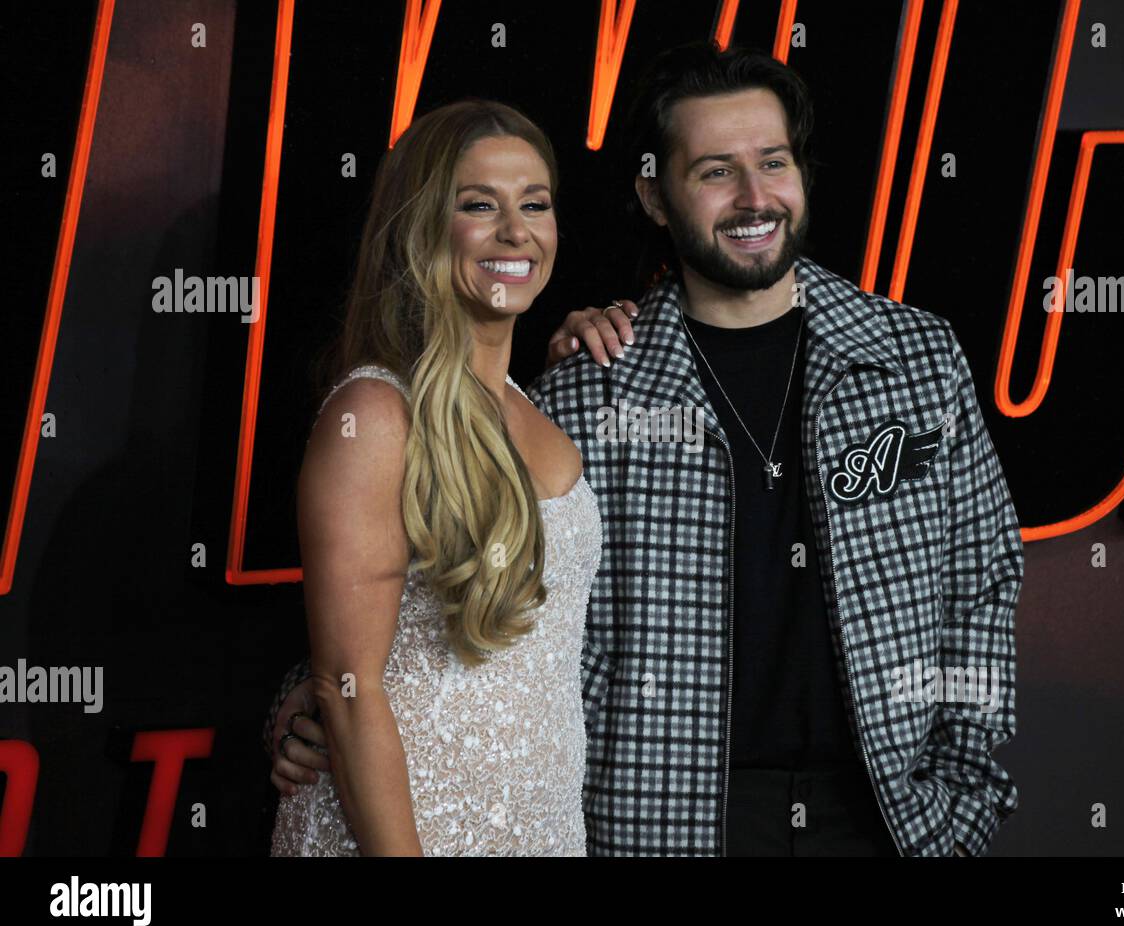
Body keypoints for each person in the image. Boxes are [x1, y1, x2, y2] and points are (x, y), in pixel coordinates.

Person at [269, 40, 1023, 857]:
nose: (753, 196)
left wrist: (960, 786)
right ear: (655, 195)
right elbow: (491, 618)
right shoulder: (588, 389)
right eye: (713, 172)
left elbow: (984, 575)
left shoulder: (916, 359)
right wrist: (314, 697)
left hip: (889, 815)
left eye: (773, 161)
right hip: (660, 823)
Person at [269, 99, 604, 856]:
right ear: (421, 226)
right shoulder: (374, 414)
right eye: (479, 205)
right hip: (405, 833)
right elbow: (347, 691)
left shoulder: (538, 407)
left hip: (546, 831)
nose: (515, 231)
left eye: (535, 204)